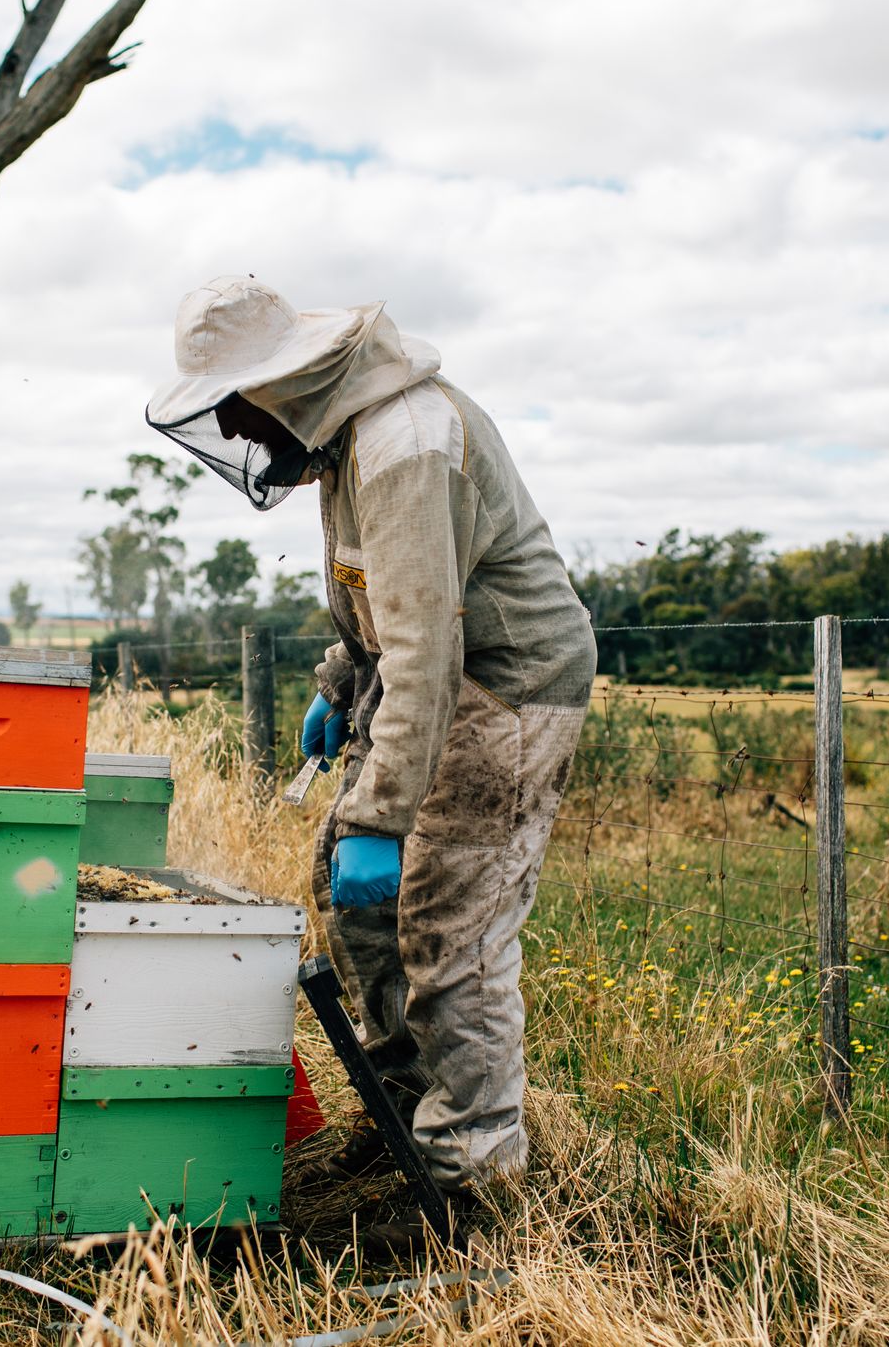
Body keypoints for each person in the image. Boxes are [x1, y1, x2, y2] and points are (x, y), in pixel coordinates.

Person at [146, 276, 595, 1240]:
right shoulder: (348, 436)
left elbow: (428, 650)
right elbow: (382, 601)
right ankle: (403, 1118)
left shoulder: (407, 445)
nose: (235, 433)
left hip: (505, 683)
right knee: (353, 901)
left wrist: (383, 816)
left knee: (450, 924)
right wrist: (339, 677)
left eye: (236, 409)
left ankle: (472, 1184)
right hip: (429, 673)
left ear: (282, 384)